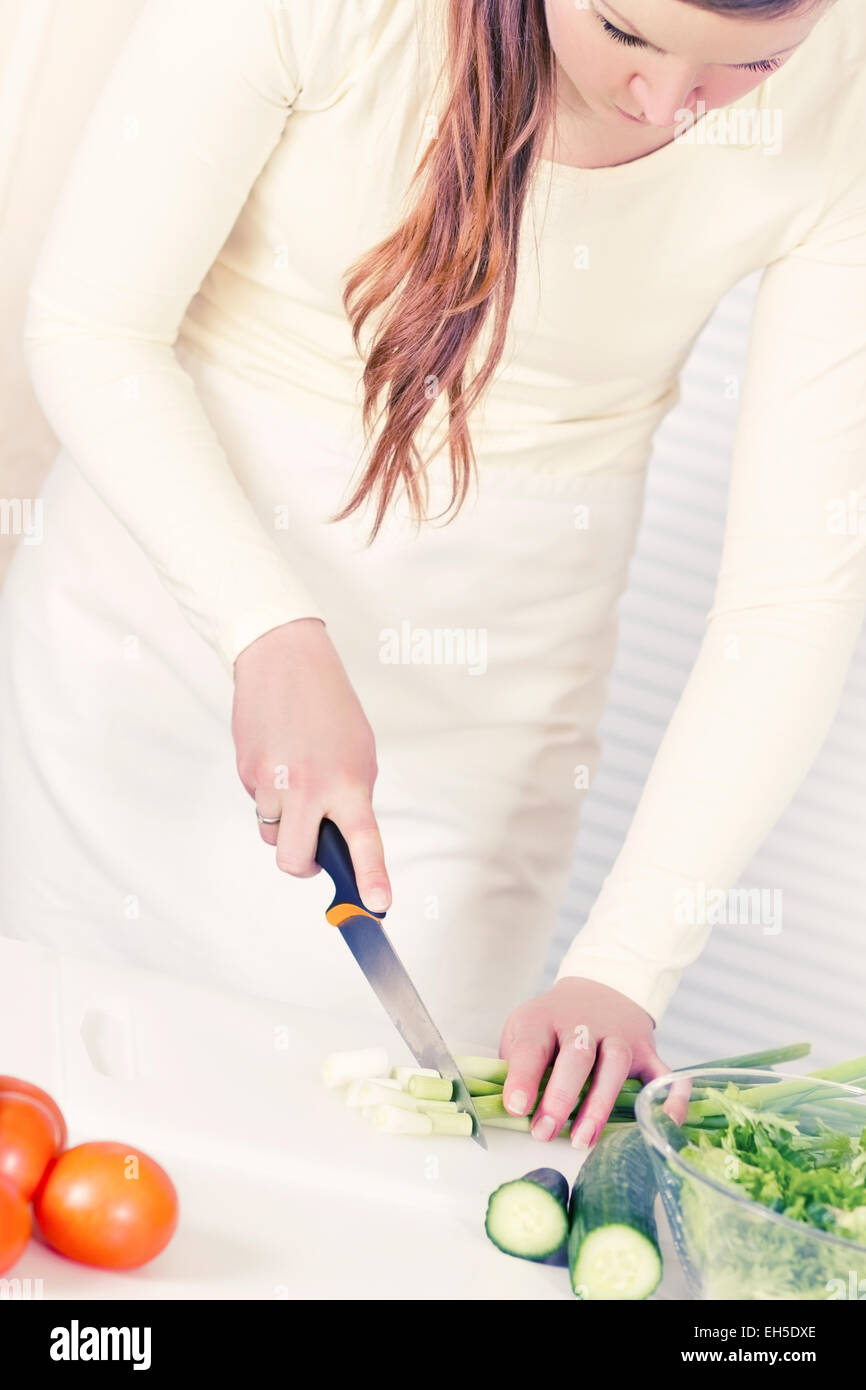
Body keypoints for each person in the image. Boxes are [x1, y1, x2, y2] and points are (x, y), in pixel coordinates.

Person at [2, 0, 864, 1152]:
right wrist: (267, 628)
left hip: (485, 714)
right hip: (151, 612)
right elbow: (92, 326)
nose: (665, 106)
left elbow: (789, 595)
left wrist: (619, 968)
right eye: (624, 31)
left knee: (373, 1163)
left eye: (751, 63)